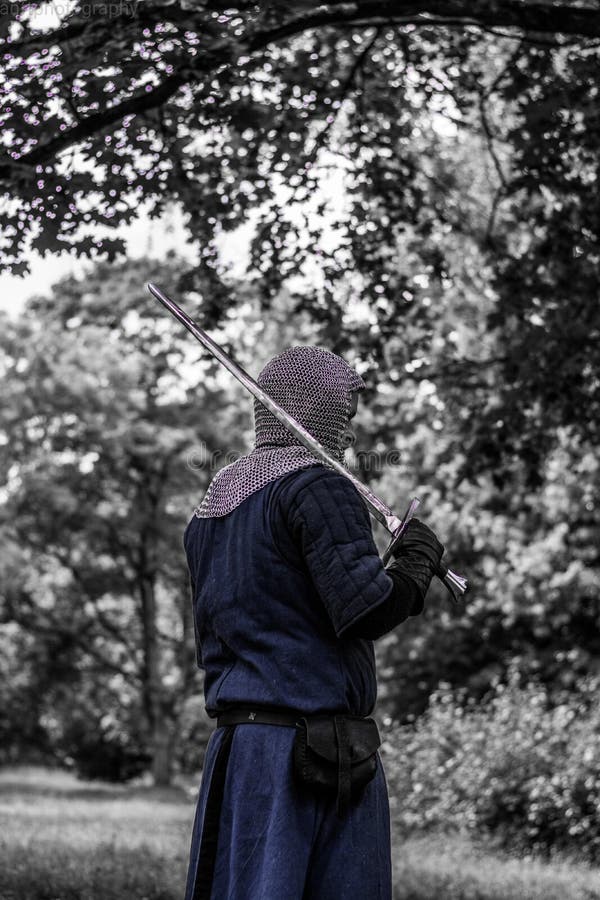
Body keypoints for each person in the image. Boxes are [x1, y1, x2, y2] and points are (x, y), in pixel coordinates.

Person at [183, 346, 444, 900]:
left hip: (242, 747)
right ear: (310, 406)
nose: (350, 428)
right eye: (343, 411)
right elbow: (367, 609)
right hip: (309, 757)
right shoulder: (318, 485)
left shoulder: (217, 500)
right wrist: (416, 563)